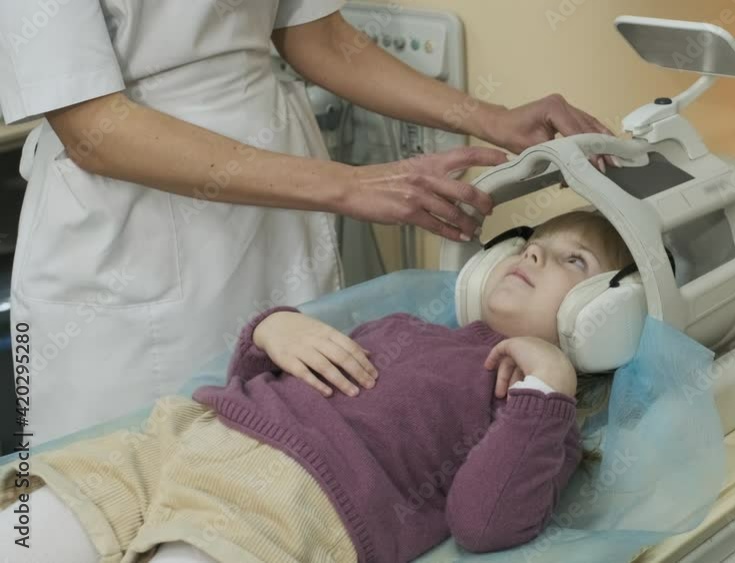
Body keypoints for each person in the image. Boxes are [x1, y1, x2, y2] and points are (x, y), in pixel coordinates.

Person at [0, 1, 615, 444]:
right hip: (131, 216)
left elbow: (314, 35)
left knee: (284, 446)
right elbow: (91, 128)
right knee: (118, 475)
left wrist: (491, 117)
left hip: (275, 193)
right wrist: (350, 185)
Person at [0, 211, 632, 563]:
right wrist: (271, 331)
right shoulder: (404, 324)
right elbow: (258, 380)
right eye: (532, 246)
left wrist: (547, 389)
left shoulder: (535, 418)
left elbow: (481, 522)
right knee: (29, 530)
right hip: (184, 439)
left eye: (572, 261)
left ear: (606, 317)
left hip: (292, 496)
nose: (533, 257)